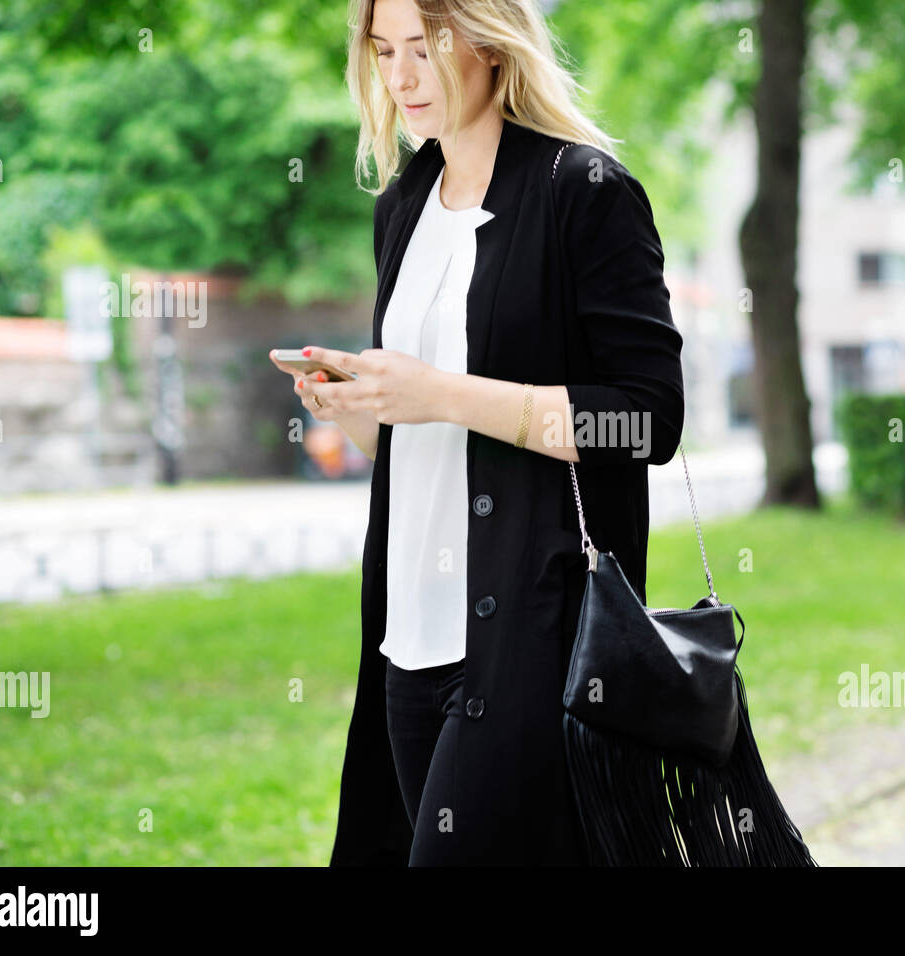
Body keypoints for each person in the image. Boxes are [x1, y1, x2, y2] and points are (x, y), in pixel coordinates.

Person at [269, 0, 685, 865]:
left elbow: (647, 418)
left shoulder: (586, 193)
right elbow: (431, 440)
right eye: (384, 52)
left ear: (492, 48)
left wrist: (443, 393)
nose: (402, 76)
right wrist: (366, 410)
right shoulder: (404, 204)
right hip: (406, 634)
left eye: (425, 48)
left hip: (532, 633)